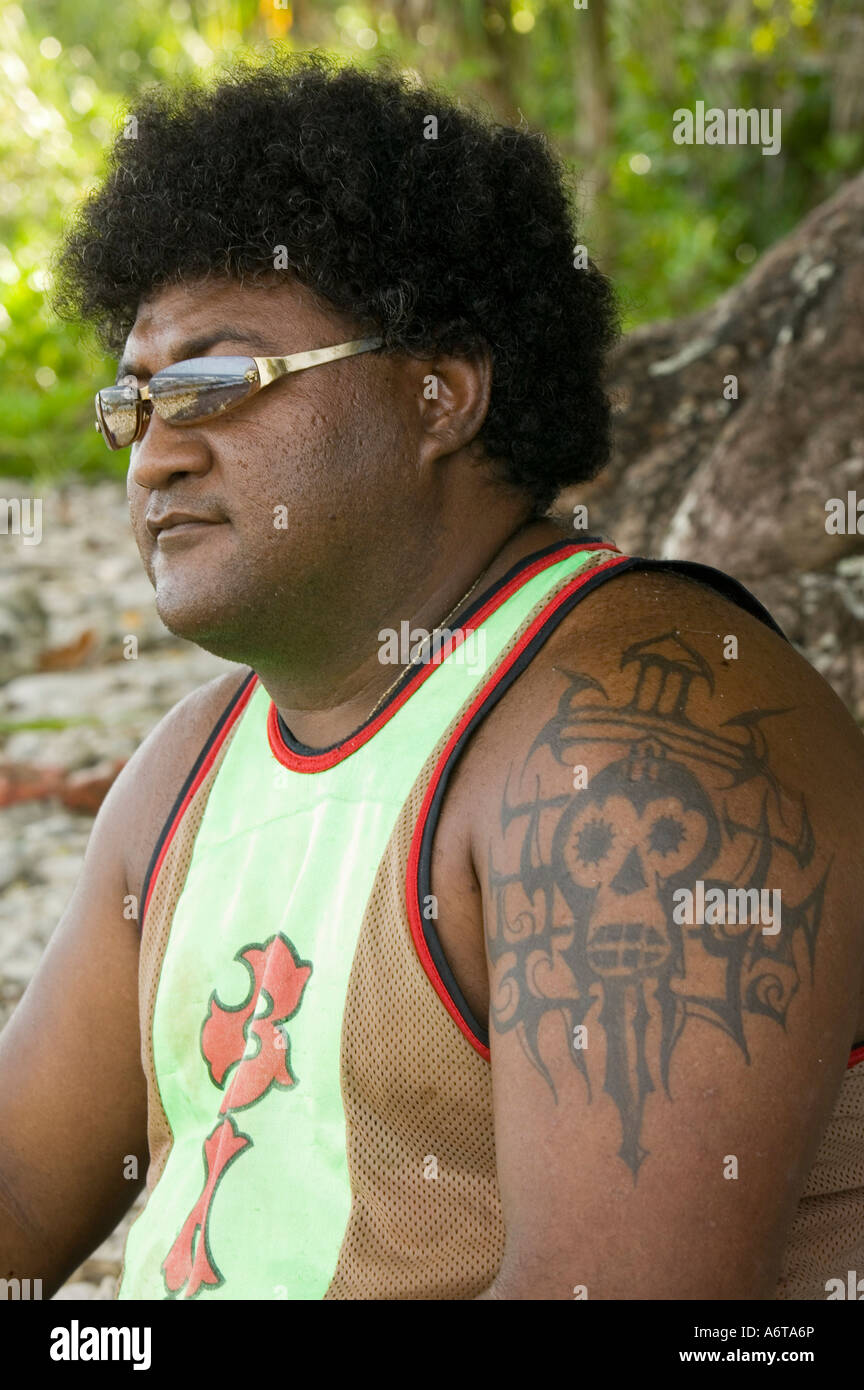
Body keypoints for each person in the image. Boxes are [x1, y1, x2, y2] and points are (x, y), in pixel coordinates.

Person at [1, 50, 862, 1302]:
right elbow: (22, 1194)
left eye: (213, 384)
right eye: (135, 403)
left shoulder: (635, 740)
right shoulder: (187, 769)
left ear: (438, 393)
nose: (153, 460)